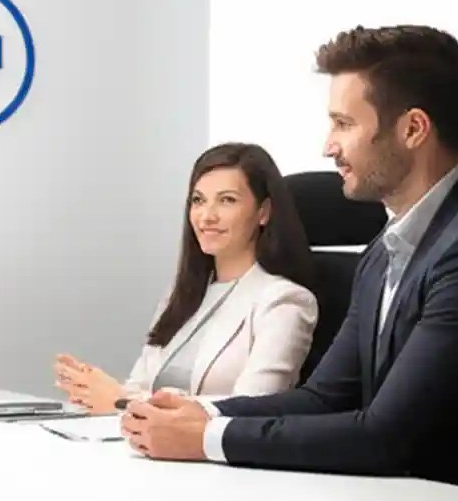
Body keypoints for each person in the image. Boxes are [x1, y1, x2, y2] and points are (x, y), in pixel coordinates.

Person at [122, 25, 458, 501]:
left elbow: (388, 434)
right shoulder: (386, 249)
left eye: (343, 124)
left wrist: (207, 439)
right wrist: (199, 412)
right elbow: (324, 398)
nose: (328, 146)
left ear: (413, 129)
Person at [55, 142, 318, 413]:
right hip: (148, 446)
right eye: (198, 200)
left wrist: (121, 401)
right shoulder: (183, 293)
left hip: (215, 453)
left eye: (227, 200)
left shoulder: (285, 301)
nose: (207, 216)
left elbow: (252, 407)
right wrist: (98, 391)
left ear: (263, 212)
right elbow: (140, 384)